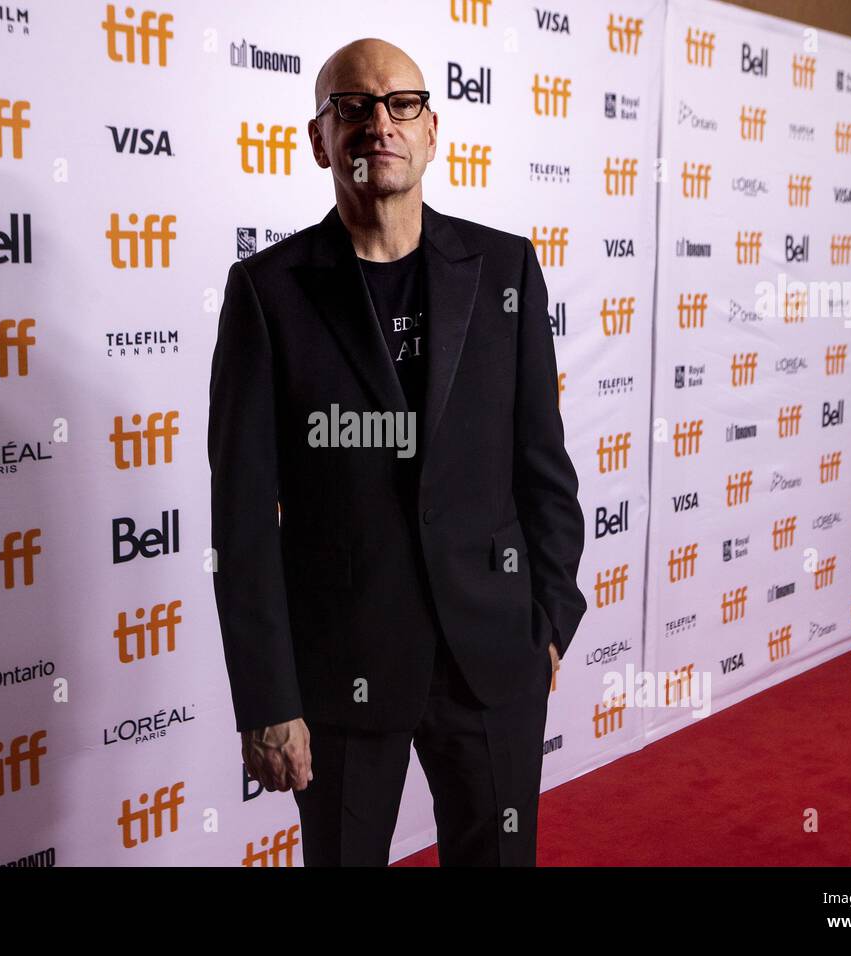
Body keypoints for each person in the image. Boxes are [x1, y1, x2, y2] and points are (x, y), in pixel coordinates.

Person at [207, 37, 586, 866]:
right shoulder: (268, 293)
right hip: (340, 666)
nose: (378, 123)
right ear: (318, 139)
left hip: (491, 657)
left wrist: (551, 616)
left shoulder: (504, 269)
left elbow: (543, 463)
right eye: (352, 106)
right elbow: (240, 520)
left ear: (431, 130)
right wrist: (268, 698)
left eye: (400, 104)